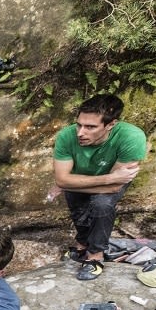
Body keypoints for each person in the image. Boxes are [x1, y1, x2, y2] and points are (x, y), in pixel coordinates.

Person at [53, 94, 146, 281]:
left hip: (97, 182)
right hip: (96, 178)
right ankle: (82, 242)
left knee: (101, 203)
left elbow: (113, 187)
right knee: (75, 200)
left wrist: (69, 182)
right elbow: (62, 180)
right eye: (79, 124)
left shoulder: (132, 137)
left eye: (90, 127)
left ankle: (95, 256)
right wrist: (107, 178)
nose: (80, 132)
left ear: (110, 125)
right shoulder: (66, 136)